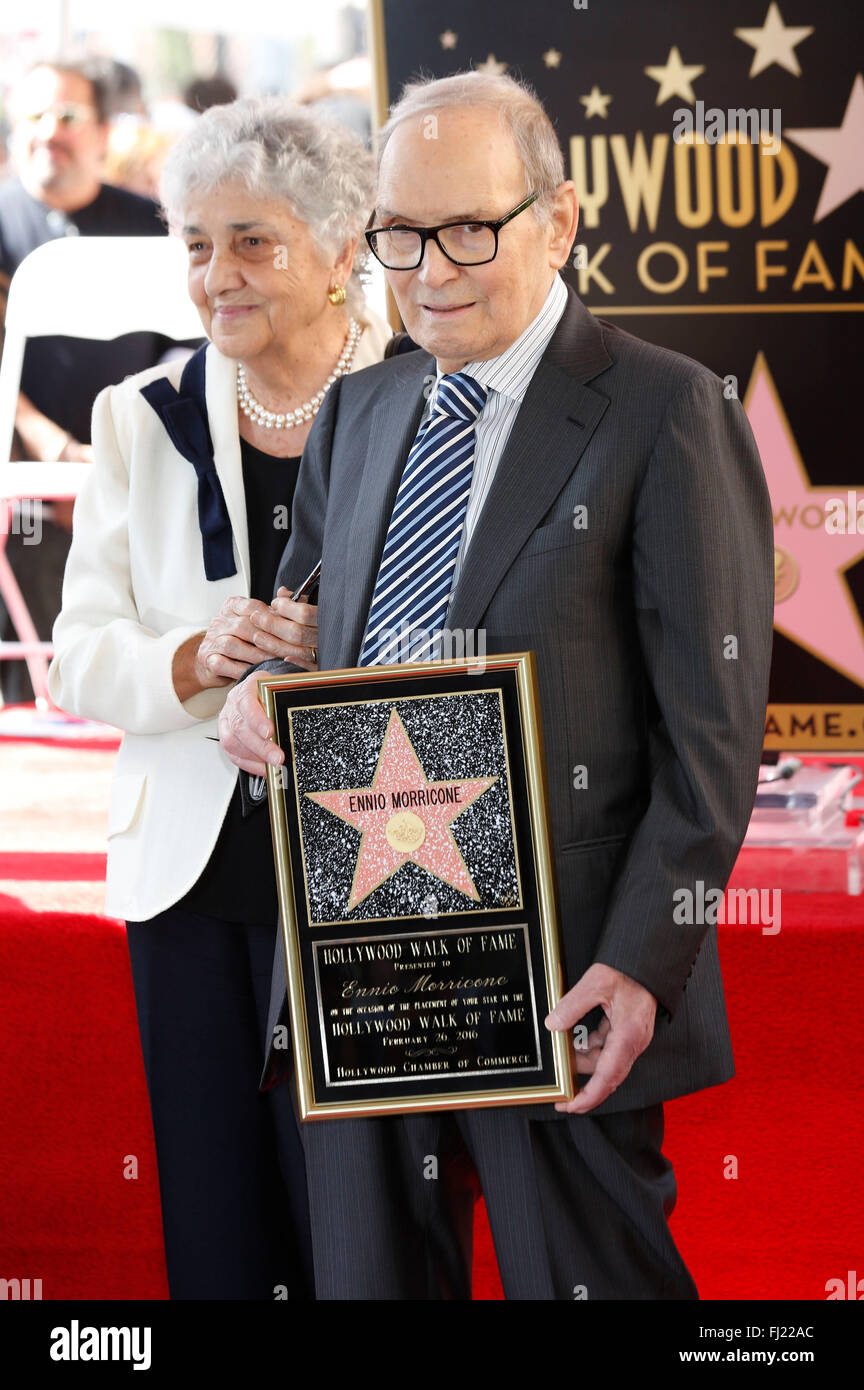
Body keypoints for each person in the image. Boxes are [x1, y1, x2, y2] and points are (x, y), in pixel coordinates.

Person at [218, 71, 775, 1301]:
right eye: (398, 236)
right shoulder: (360, 411)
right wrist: (260, 695)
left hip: (566, 982)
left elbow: (713, 740)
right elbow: (317, 645)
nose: (429, 269)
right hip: (358, 964)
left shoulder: (665, 409)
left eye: (470, 228)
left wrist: (641, 962)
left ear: (562, 219)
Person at [48, 97, 392, 1299]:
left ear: (343, 247)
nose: (216, 274)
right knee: (216, 1229)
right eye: (196, 244)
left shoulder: (427, 399)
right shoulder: (137, 416)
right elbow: (81, 650)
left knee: (365, 1230)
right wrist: (195, 660)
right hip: (191, 885)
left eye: (253, 240)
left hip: (387, 870)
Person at [0, 56, 190, 702]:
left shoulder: (157, 226)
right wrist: (47, 448)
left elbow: (189, 348)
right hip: (22, 484)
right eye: (32, 116)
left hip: (143, 467)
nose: (48, 130)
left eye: (68, 116)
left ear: (105, 133)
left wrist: (126, 443)